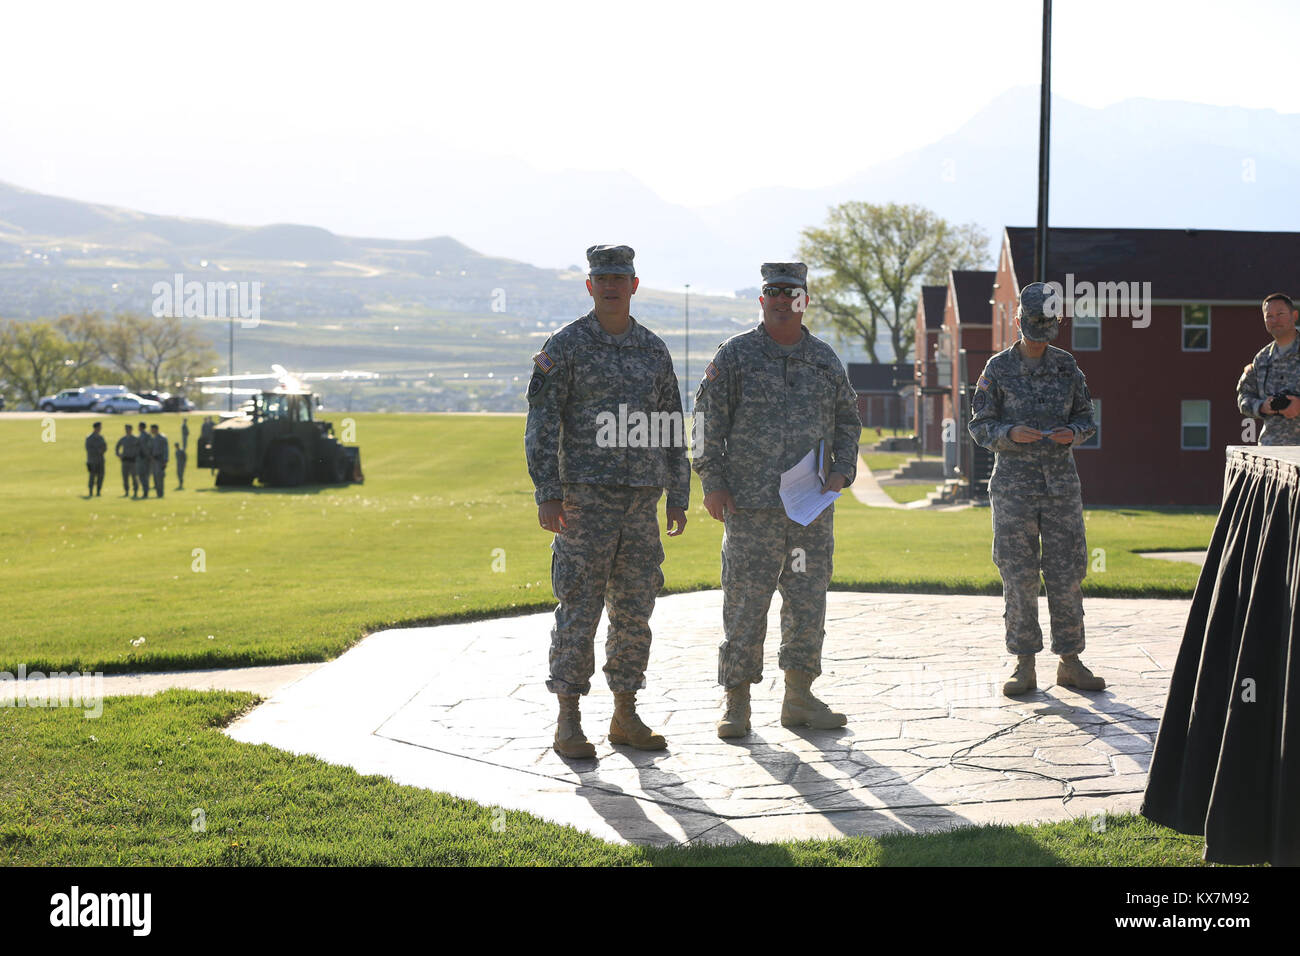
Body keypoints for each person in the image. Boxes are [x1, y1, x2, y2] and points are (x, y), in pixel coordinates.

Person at [525, 244, 690, 759]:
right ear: (590, 286)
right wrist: (548, 492)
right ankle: (568, 721)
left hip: (640, 504)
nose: (613, 285)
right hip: (583, 503)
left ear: (635, 285)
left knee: (635, 610)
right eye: (603, 278)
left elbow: (670, 426)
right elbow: (541, 424)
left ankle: (625, 713)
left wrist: (678, 493)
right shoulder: (567, 346)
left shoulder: (653, 351)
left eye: (621, 277)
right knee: (579, 608)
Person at [692, 262, 862, 739]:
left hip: (810, 509)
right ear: (761, 299)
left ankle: (799, 697)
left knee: (807, 603)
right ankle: (737, 703)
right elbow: (706, 424)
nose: (783, 301)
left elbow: (848, 420)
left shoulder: (824, 359)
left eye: (793, 294)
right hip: (750, 508)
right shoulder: (736, 356)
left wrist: (843, 467)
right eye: (773, 292)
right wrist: (712, 481)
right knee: (745, 605)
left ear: (804, 300)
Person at [968, 281, 1104, 697]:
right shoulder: (997, 369)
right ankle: (1023, 664)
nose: (1038, 335)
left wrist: (1074, 433)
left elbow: (1088, 418)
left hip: (1061, 487)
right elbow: (978, 425)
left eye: (1046, 326)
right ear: (1018, 322)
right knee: (1019, 575)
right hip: (1013, 489)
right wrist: (1009, 432)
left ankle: (1070, 661)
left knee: (1067, 573)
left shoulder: (1067, 367)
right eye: (1032, 326)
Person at [1236, 292, 1300, 445]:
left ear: (1294, 316)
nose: (1275, 320)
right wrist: (1262, 407)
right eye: (1269, 316)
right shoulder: (1262, 359)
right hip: (1272, 452)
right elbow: (1244, 397)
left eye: (1280, 314)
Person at [114, 423, 140, 497]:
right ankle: (126, 491)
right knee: (125, 477)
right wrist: (118, 454)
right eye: (126, 429)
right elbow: (117, 447)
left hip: (133, 461)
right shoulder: (123, 439)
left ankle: (135, 491)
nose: (127, 430)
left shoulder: (135, 438)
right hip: (125, 460)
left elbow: (139, 448)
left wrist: (137, 456)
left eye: (128, 429)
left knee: (134, 477)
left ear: (131, 430)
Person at [84, 422, 107, 497]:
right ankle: (91, 491)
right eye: (100, 427)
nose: (100, 429)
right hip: (92, 460)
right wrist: (98, 451)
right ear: (96, 428)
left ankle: (98, 491)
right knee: (92, 476)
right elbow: (88, 449)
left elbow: (105, 447)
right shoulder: (89, 438)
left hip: (100, 460)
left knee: (101, 476)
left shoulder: (101, 437)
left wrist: (102, 450)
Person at [149, 424, 169, 498]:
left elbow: (165, 450)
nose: (151, 431)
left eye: (152, 429)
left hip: (160, 460)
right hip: (154, 461)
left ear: (155, 429)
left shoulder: (162, 438)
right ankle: (158, 493)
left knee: (159, 477)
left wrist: (165, 460)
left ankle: (160, 493)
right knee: (155, 477)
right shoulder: (153, 438)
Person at [135, 420, 153, 498]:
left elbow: (146, 448)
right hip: (143, 458)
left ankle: (145, 492)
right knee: (144, 476)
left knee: (143, 476)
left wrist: (147, 456)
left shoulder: (144, 436)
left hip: (143, 459)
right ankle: (145, 491)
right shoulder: (146, 435)